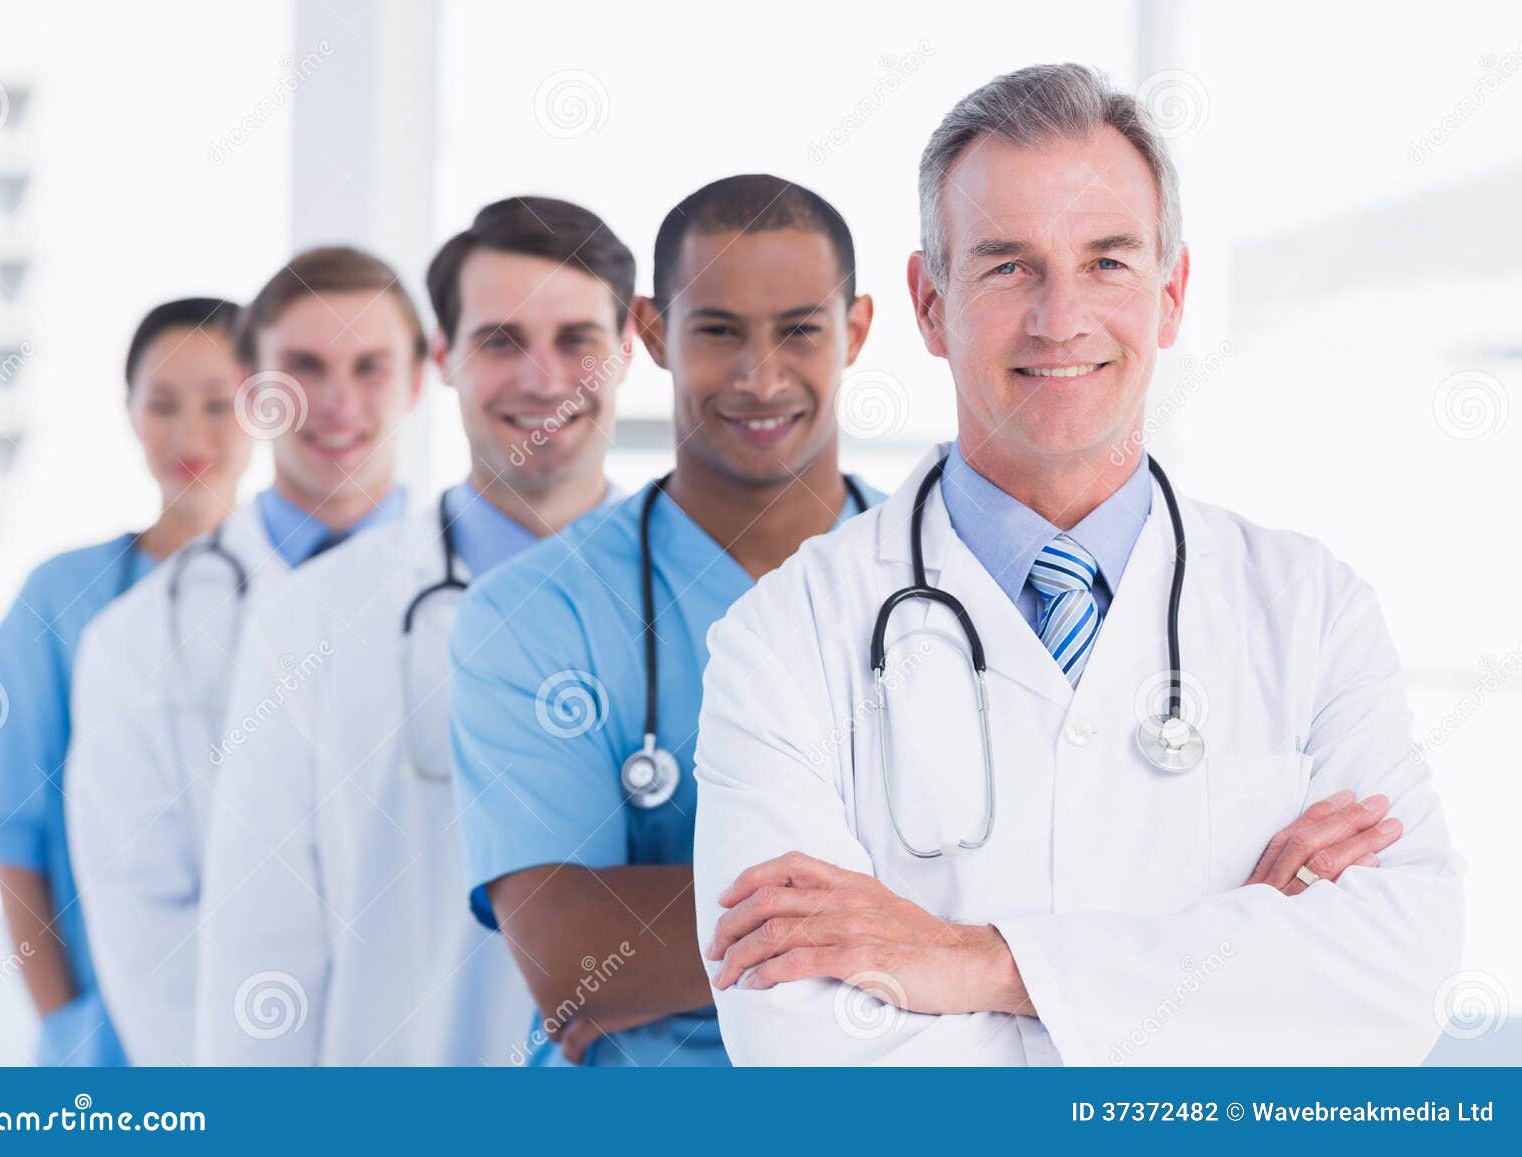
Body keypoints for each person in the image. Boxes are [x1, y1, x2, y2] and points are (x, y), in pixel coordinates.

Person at [693, 64, 1464, 1066]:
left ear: (1171, 291)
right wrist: (1237, 973)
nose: (1061, 320)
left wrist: (976, 962)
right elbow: (812, 1060)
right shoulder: (784, 637)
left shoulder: (1309, 610)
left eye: (1107, 263)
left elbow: (1396, 985)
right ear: (930, 304)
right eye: (1009, 266)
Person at [449, 174, 884, 1066]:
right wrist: (918, 914)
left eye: (799, 328)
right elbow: (574, 958)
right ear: (652, 333)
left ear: (858, 329)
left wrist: (687, 913)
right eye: (718, 330)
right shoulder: (532, 611)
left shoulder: (945, 584)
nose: (759, 377)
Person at [194, 197, 634, 1065]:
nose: (543, 379)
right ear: (442, 358)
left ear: (629, 349)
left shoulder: (710, 607)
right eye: (501, 340)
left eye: (577, 340)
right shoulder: (314, 617)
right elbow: (259, 945)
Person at [66, 247, 426, 1065]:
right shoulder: (136, 639)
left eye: (371, 366)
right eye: (303, 366)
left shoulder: (484, 605)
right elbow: (142, 923)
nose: (336, 402)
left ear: (417, 380)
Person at [0, 297, 251, 1065]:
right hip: (108, 1040)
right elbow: (20, 840)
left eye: (219, 403)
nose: (191, 432)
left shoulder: (310, 595)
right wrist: (72, 1026)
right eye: (163, 403)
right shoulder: (62, 599)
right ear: (130, 411)